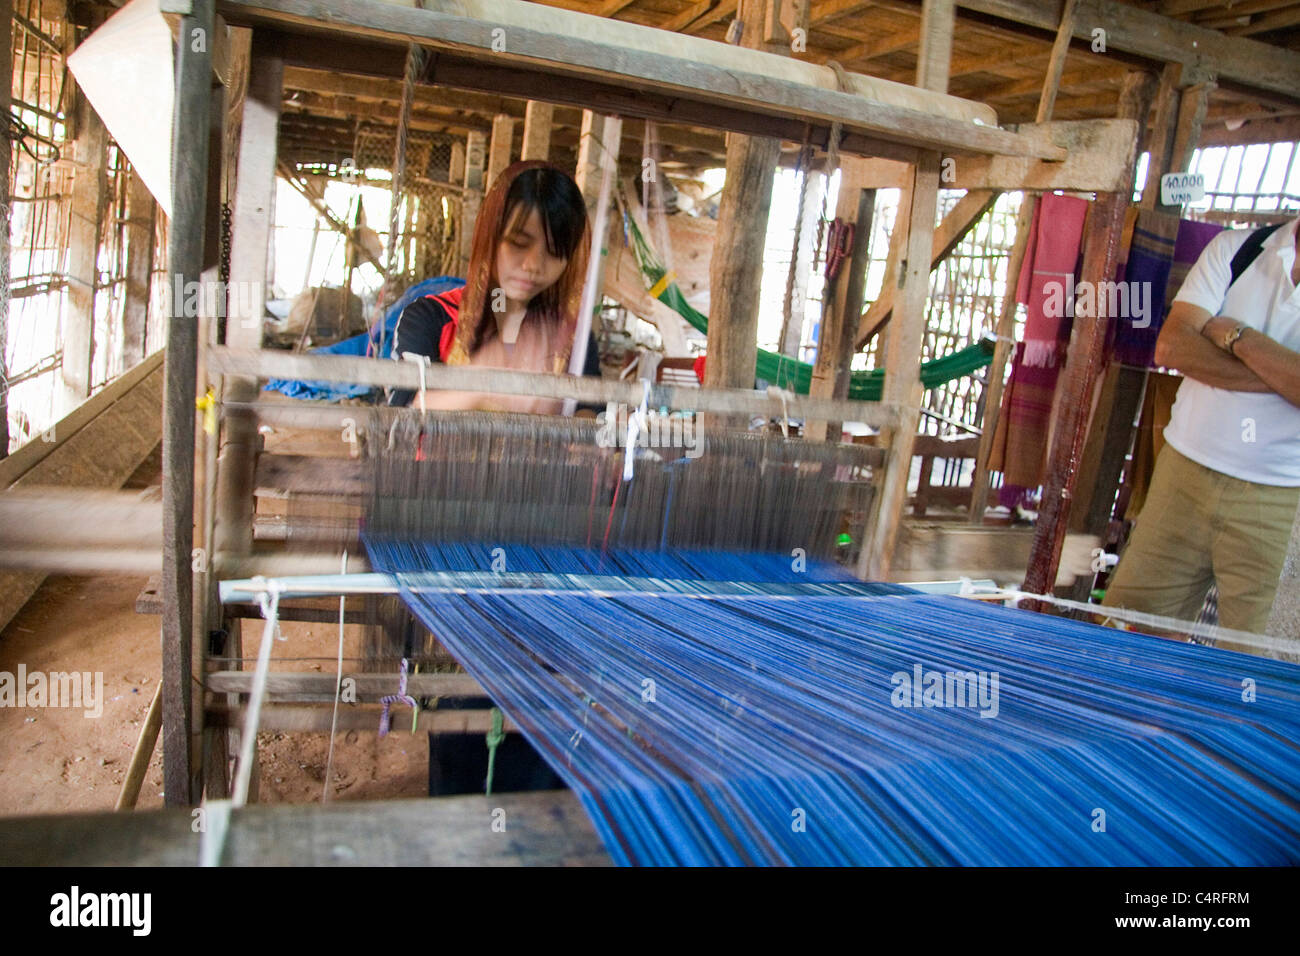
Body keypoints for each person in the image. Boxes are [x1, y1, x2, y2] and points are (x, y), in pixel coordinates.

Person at [1103, 216, 1300, 636]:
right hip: (1184, 475)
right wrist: (1283, 377)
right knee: (1128, 628)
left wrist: (1238, 337)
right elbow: (1173, 346)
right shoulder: (1237, 249)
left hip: (1285, 500)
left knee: (1263, 660)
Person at [389, 159, 600, 411]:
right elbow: (405, 412)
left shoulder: (572, 338)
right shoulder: (430, 318)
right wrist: (485, 375)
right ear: (491, 237)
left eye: (555, 252)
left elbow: (592, 417)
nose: (533, 265)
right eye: (519, 243)